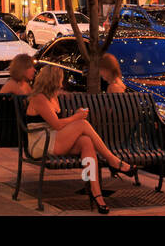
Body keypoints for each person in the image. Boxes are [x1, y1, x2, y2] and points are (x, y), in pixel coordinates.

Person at [25, 64, 137, 214]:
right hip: (41, 143)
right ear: (53, 80)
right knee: (82, 124)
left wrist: (75, 115)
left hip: (53, 138)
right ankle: (113, 160)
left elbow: (58, 124)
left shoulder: (53, 96)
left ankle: (96, 193)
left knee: (86, 142)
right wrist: (76, 117)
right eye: (61, 79)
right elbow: (57, 125)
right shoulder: (39, 97)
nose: (62, 82)